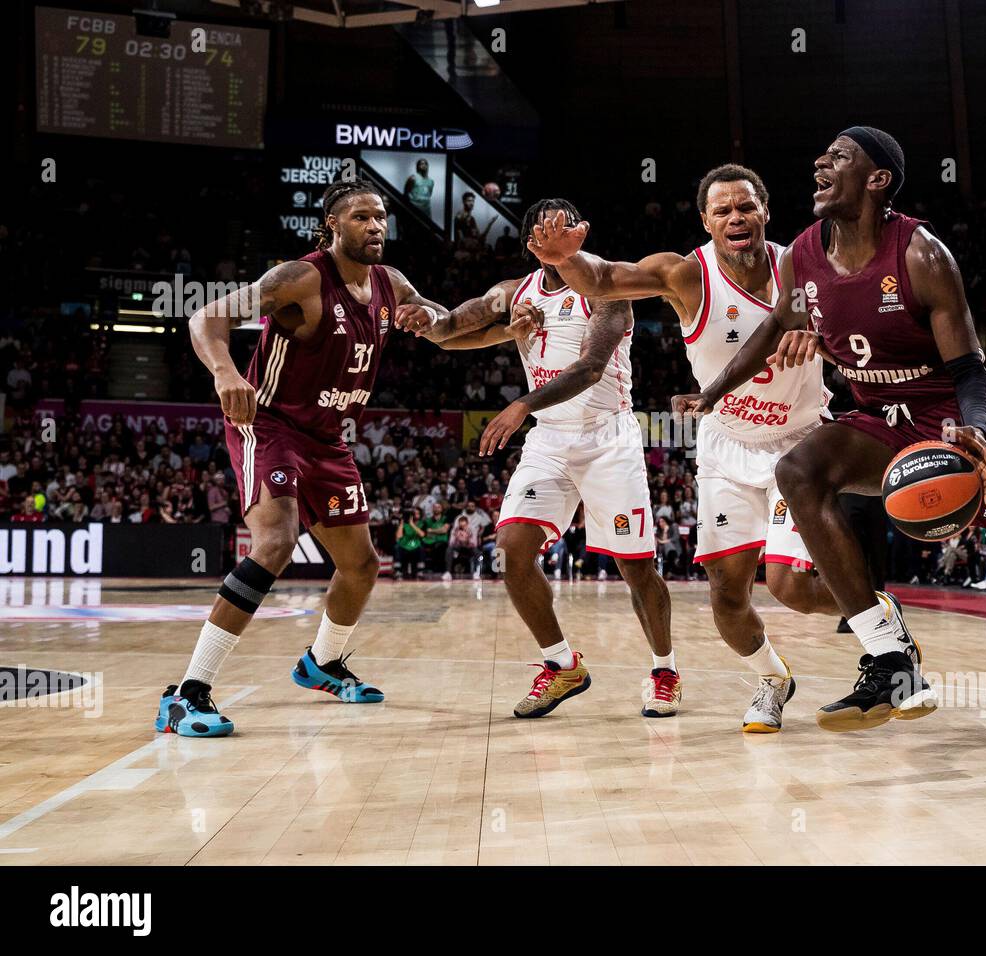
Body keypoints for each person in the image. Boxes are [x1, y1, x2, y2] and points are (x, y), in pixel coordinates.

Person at [684, 126, 986, 756]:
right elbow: (774, 327)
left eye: (838, 157)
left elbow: (971, 371)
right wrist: (716, 389)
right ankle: (889, 657)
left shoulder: (921, 254)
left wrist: (974, 434)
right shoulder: (802, 256)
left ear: (876, 180)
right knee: (800, 470)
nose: (819, 162)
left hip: (950, 422)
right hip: (878, 421)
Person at [161, 178, 499, 738]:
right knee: (275, 542)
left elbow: (444, 330)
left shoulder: (392, 284)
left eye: (382, 217)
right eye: (362, 217)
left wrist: (501, 330)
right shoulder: (300, 278)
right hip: (268, 423)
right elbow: (206, 318)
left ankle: (321, 662)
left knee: (362, 564)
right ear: (332, 227)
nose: (376, 226)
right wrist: (225, 373)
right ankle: (187, 692)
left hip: (328, 440)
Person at [528, 165, 842, 734]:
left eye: (745, 207)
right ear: (706, 222)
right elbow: (605, 280)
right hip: (726, 443)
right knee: (726, 594)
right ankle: (773, 679)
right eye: (722, 211)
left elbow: (859, 325)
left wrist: (820, 334)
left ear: (764, 212)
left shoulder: (806, 267)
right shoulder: (685, 274)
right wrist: (564, 260)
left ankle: (868, 609)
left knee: (789, 585)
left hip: (799, 442)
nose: (735, 218)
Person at [435, 198, 680, 720]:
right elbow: (453, 327)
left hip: (607, 436)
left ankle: (665, 670)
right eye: (547, 231)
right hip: (550, 438)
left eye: (567, 227)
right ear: (533, 244)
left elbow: (592, 368)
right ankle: (561, 664)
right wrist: (420, 318)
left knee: (635, 568)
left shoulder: (609, 292)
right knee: (512, 547)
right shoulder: (511, 294)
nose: (559, 237)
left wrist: (521, 404)